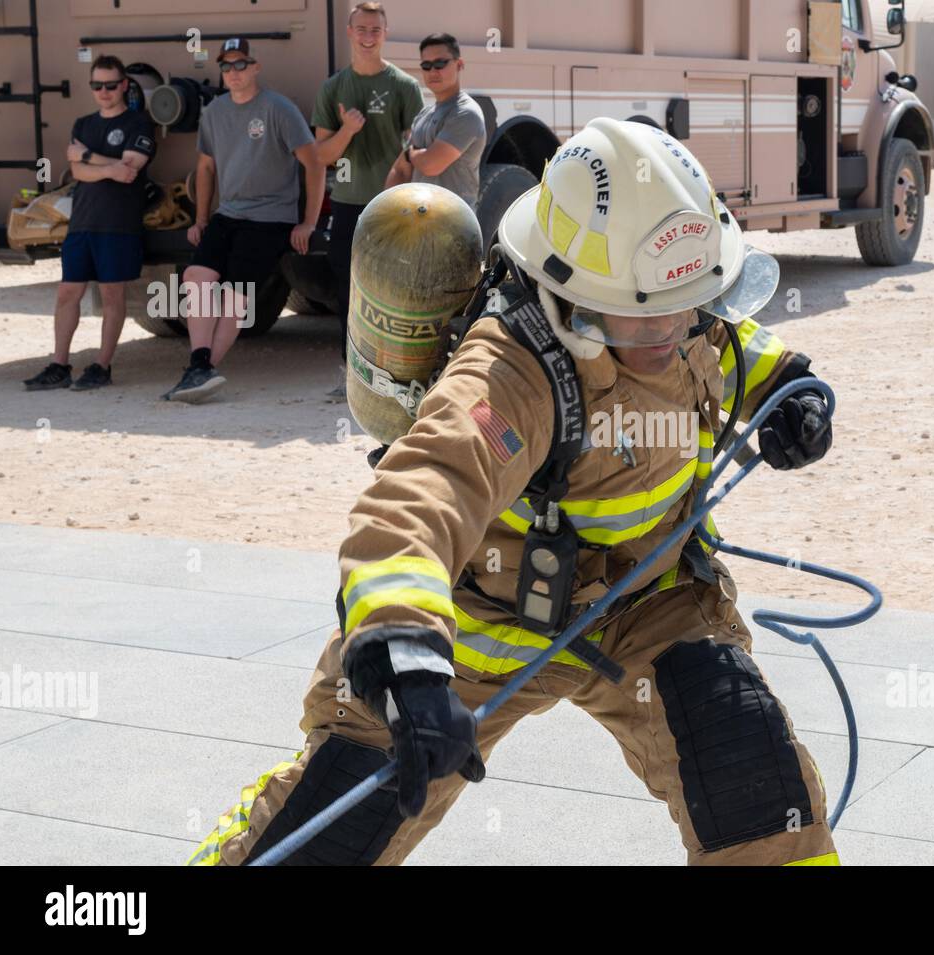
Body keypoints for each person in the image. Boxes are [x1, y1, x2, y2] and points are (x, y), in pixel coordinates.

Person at [188, 119, 838, 867]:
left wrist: (791, 391)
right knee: (335, 825)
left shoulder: (673, 303)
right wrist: (405, 651)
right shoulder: (510, 375)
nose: (676, 323)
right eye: (651, 310)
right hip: (477, 628)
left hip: (648, 601)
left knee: (756, 790)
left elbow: (729, 346)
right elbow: (418, 496)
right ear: (576, 290)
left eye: (692, 299)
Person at [163, 38, 323, 403]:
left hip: (271, 218)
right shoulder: (214, 112)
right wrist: (200, 218)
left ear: (255, 68)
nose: (233, 73)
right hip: (228, 215)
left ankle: (202, 370)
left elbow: (314, 163)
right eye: (226, 66)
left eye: (240, 64)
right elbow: (205, 167)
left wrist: (308, 223)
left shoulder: (278, 109)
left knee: (234, 297)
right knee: (196, 277)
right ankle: (200, 368)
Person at [23, 56, 155, 392]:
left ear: (124, 85)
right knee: (68, 292)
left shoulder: (139, 124)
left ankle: (102, 366)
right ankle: (59, 364)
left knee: (112, 294)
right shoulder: (83, 124)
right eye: (97, 85)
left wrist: (88, 157)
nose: (104, 91)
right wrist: (108, 168)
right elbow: (79, 172)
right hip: (82, 222)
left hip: (118, 224)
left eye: (111, 85)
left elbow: (130, 170)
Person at [312, 1, 422, 401]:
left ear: (385, 33)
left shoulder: (405, 87)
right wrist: (347, 130)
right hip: (347, 205)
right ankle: (353, 377)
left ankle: (400, 377)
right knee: (349, 290)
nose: (368, 36)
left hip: (394, 207)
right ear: (349, 32)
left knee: (398, 292)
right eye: (361, 28)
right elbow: (322, 156)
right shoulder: (333, 87)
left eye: (375, 29)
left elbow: (416, 153)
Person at [384, 33, 485, 210]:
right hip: (419, 223)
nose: (433, 71)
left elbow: (430, 165)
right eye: (426, 65)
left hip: (453, 224)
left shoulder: (466, 113)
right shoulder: (423, 115)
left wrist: (411, 155)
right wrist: (387, 211)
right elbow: (400, 170)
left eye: (440, 63)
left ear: (459, 64)